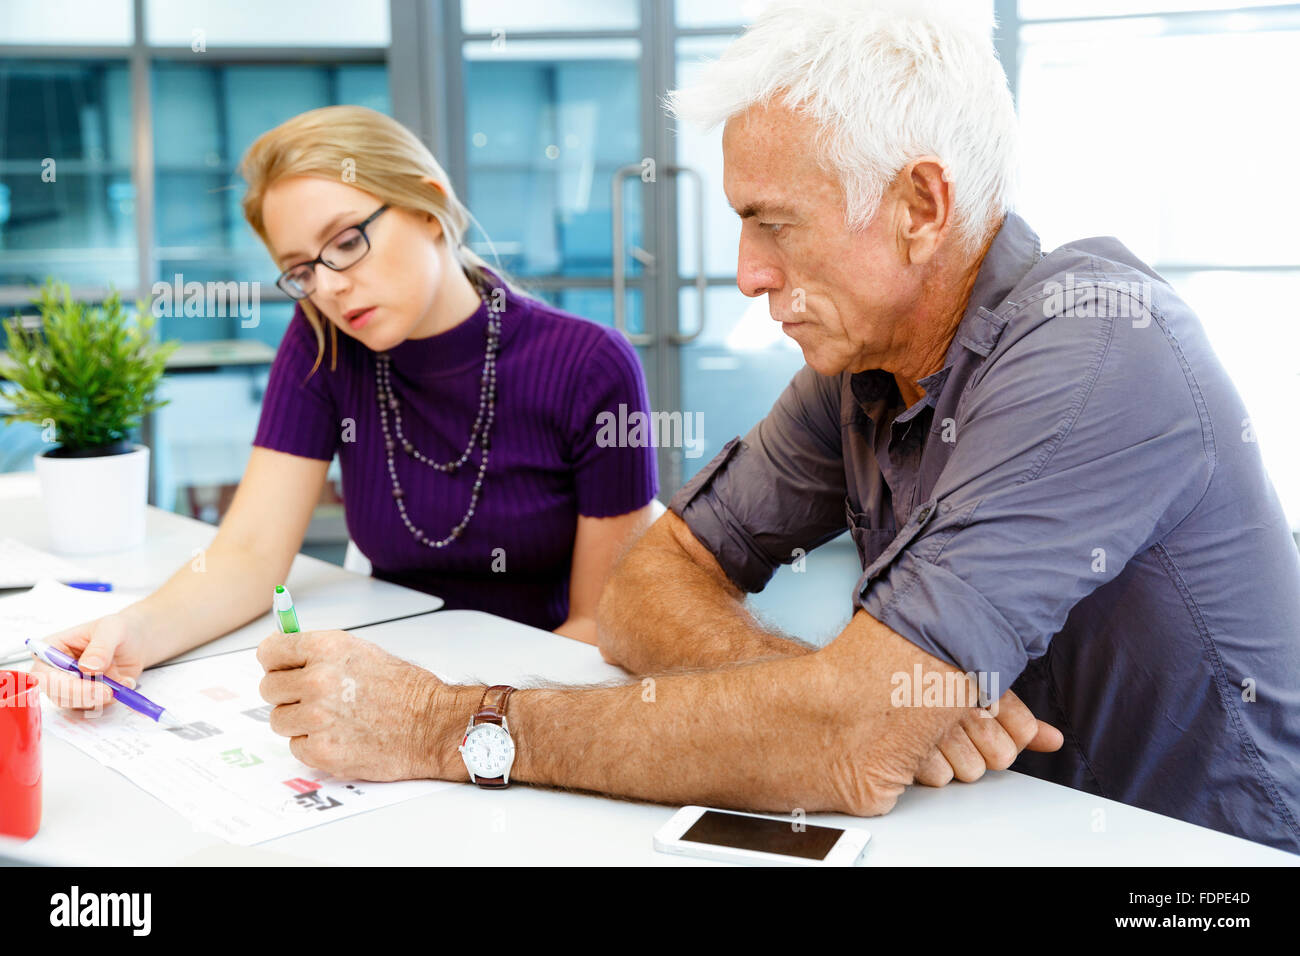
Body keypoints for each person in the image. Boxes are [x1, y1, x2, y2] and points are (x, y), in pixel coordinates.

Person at [251, 1, 1300, 855]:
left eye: (774, 221)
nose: (750, 274)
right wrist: (832, 691)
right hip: (995, 830)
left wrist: (450, 726)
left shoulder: (1100, 345)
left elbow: (849, 741)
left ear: (920, 206)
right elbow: (645, 589)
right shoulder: (866, 357)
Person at [33, 105, 658, 709]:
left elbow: (598, 630)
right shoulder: (323, 341)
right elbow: (251, 554)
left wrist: (444, 718)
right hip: (384, 684)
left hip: (534, 703)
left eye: (347, 241)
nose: (328, 287)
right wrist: (133, 633)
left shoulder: (589, 365)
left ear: (429, 207)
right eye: (302, 270)